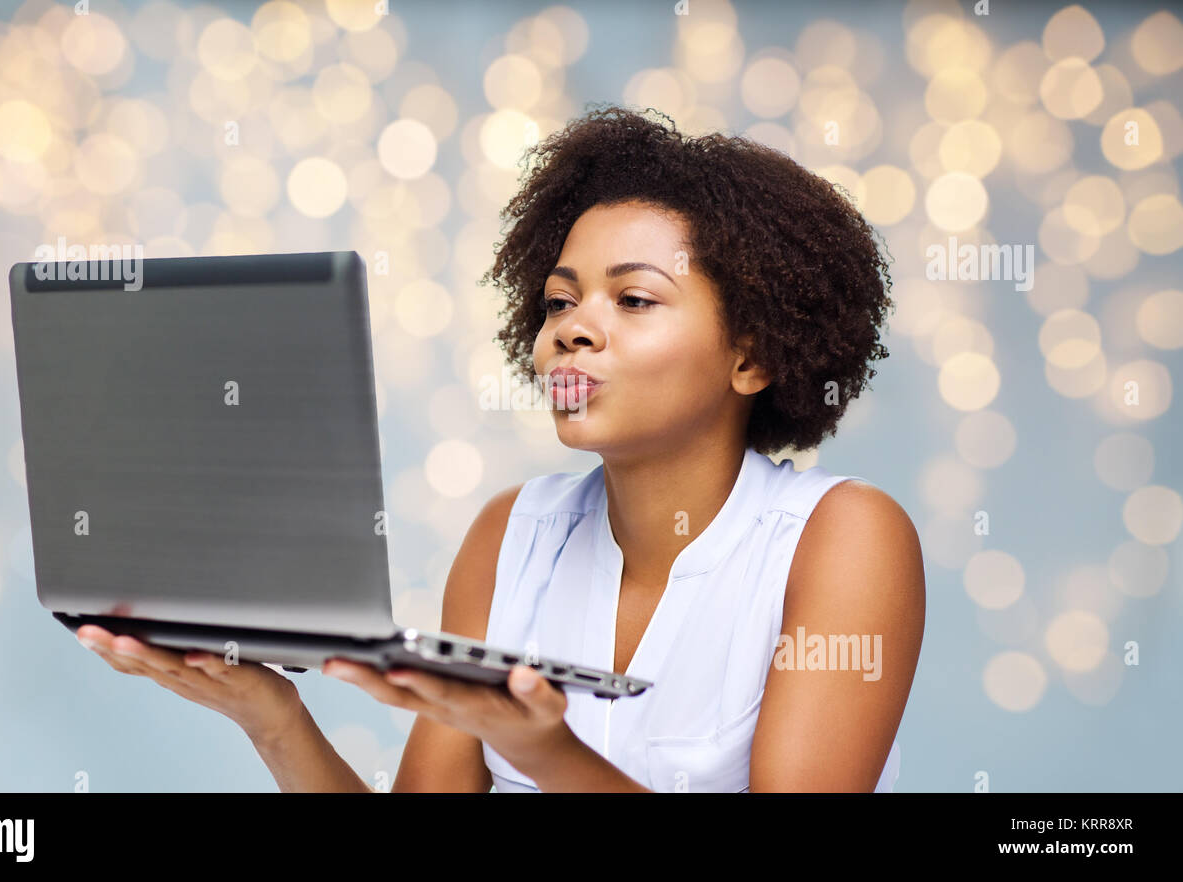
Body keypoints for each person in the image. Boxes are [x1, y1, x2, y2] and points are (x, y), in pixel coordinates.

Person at [77, 104, 925, 792]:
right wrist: (271, 716)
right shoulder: (510, 534)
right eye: (559, 303)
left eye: (633, 299)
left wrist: (544, 752)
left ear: (753, 355)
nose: (572, 331)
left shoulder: (844, 537)